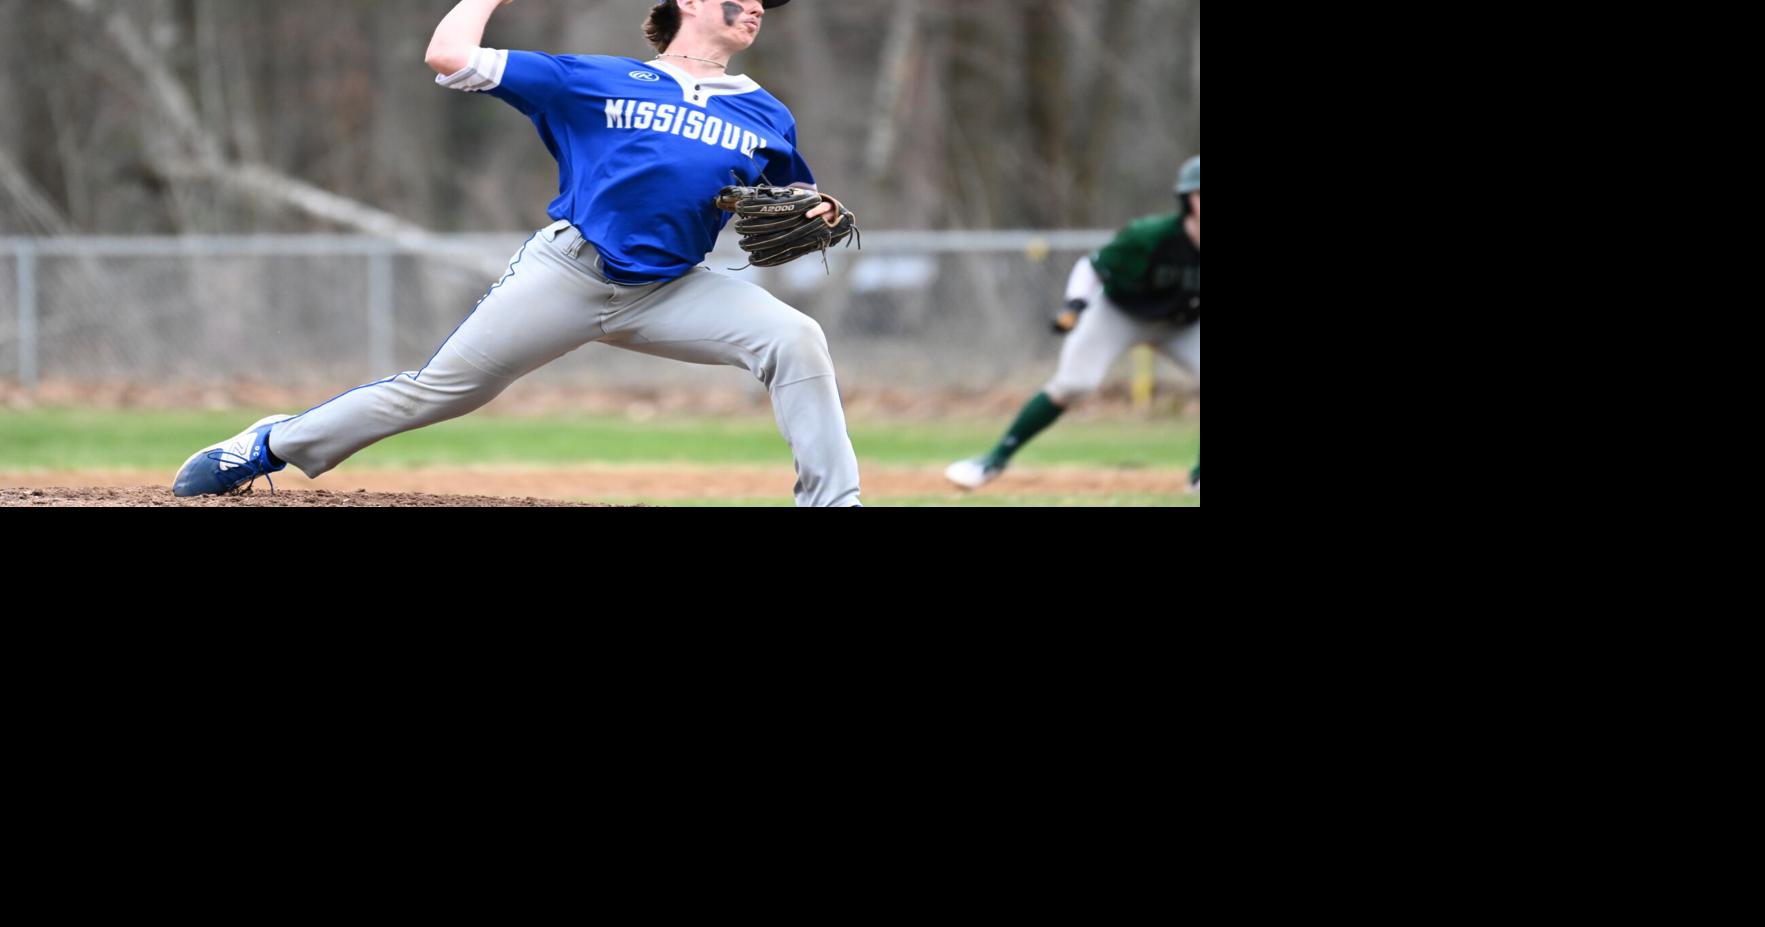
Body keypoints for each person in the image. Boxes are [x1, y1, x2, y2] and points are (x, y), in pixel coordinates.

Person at [173, 0, 864, 507]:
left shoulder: (765, 112)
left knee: (795, 336)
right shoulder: (592, 79)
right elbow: (449, 57)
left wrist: (819, 207)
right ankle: (265, 446)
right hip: (567, 272)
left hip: (674, 288)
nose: (755, 9)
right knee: (436, 392)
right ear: (687, 2)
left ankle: (833, 503)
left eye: (762, 7)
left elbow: (793, 195)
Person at [945, 156, 1200, 495]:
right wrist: (1075, 304)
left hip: (1181, 323)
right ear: (1186, 199)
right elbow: (1092, 266)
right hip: (1120, 313)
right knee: (1074, 385)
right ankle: (991, 460)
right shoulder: (1150, 236)